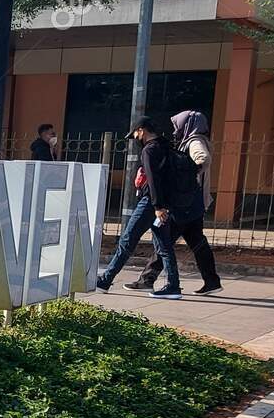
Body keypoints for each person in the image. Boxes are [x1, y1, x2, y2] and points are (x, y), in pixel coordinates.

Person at [124, 110, 222, 296]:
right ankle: (211, 281)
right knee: (197, 243)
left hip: (185, 202)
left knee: (164, 241)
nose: (176, 130)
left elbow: (203, 159)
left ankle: (149, 280)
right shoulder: (195, 140)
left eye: (179, 125)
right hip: (192, 203)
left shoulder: (195, 142)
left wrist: (187, 175)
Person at [95, 114, 192, 299]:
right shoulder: (166, 146)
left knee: (127, 241)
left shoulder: (149, 150)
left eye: (136, 134)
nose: (135, 139)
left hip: (151, 203)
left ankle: (105, 280)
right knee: (164, 245)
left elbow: (153, 180)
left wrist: (157, 206)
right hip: (166, 203)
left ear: (142, 130)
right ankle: (173, 286)